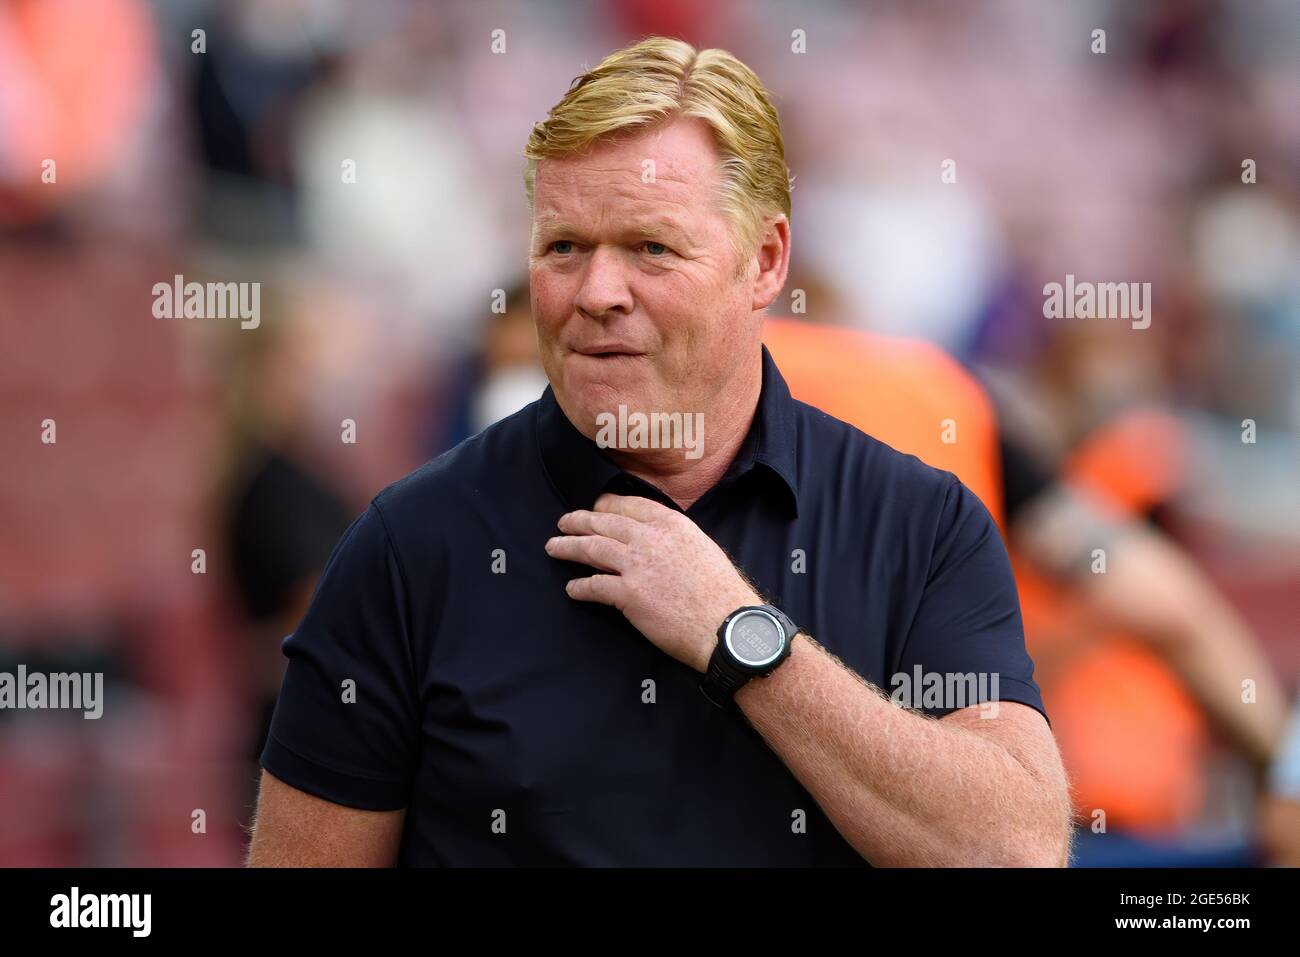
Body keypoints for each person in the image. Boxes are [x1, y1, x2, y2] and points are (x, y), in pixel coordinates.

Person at [246, 36, 1070, 867]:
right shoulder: (409, 548)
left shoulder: (918, 524)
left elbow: (1015, 851)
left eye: (652, 248)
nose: (597, 293)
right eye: (564, 246)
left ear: (765, 260)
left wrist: (741, 638)